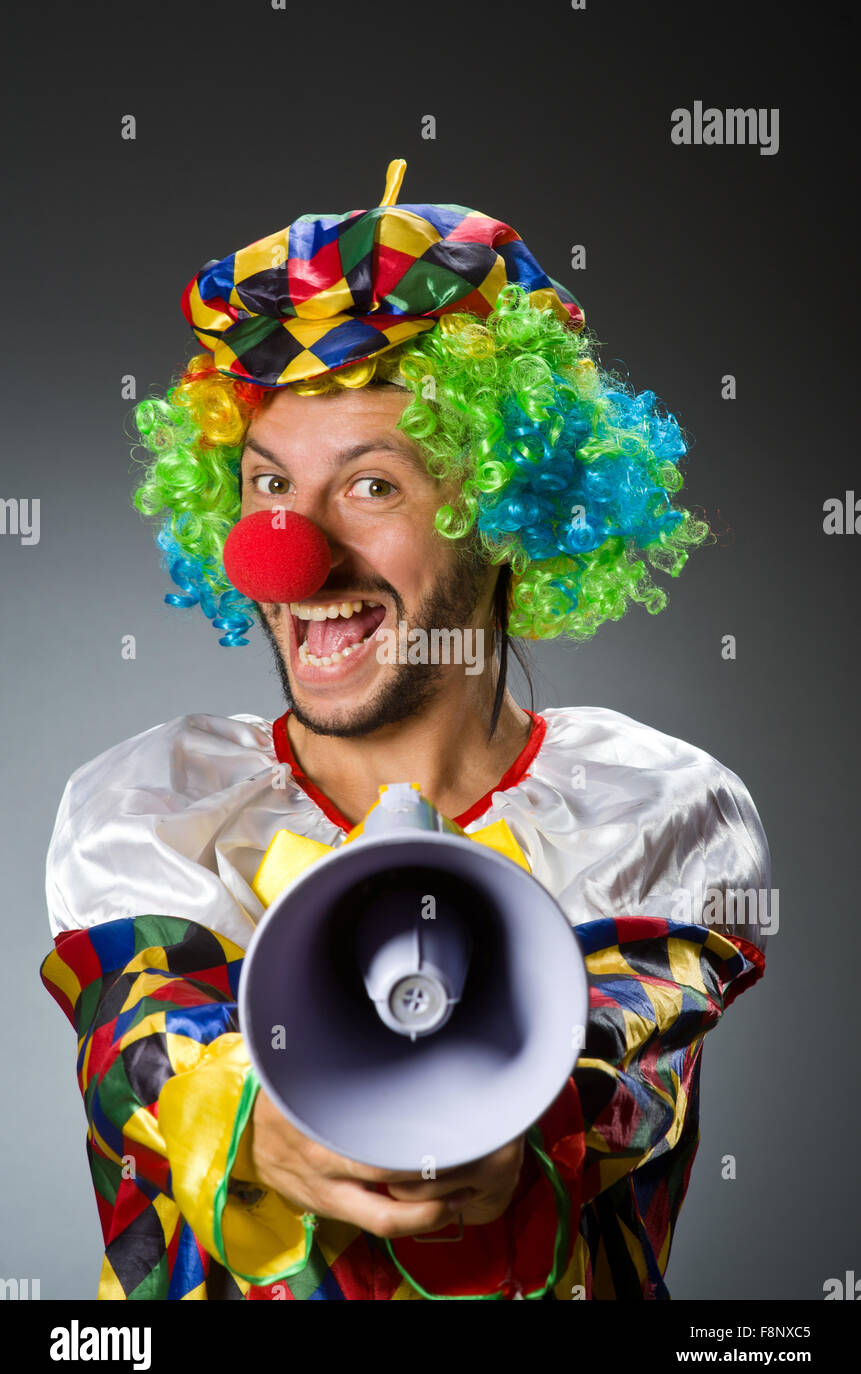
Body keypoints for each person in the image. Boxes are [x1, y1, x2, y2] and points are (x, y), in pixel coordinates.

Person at [40, 159, 769, 1301]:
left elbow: (623, 1053)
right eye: (267, 481)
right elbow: (143, 1028)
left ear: (508, 505)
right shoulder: (156, 807)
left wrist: (515, 1125)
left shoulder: (655, 810)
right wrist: (246, 1118)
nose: (289, 550)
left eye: (372, 487)